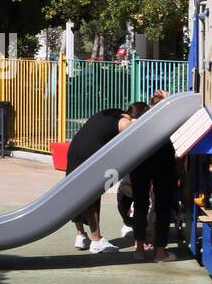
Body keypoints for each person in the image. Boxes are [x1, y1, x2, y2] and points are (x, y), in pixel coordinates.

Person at [65, 101, 149, 254]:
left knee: (76, 193)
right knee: (92, 195)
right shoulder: (126, 123)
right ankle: (96, 240)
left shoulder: (114, 113)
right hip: (88, 155)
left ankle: (80, 235)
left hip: (75, 150)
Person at [129, 98, 179, 262]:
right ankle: (160, 252)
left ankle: (139, 249)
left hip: (141, 159)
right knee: (162, 206)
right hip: (163, 158)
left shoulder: (138, 126)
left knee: (140, 205)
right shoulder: (165, 121)